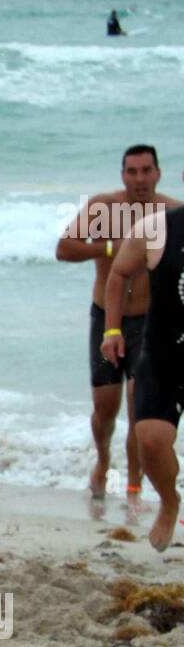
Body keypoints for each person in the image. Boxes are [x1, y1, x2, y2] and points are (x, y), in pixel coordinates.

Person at [56, 146, 178, 502]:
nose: (139, 178)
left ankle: (134, 484)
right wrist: (110, 248)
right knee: (105, 410)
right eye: (132, 171)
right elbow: (64, 248)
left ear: (158, 173)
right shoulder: (103, 208)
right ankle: (103, 460)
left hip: (151, 322)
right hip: (106, 319)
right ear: (123, 175)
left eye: (146, 170)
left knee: (139, 408)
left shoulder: (171, 213)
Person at [101, 196, 184, 550]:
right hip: (165, 356)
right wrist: (112, 330)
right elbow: (119, 272)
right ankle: (169, 501)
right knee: (149, 439)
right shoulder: (157, 228)